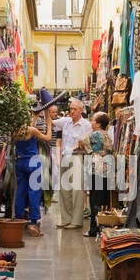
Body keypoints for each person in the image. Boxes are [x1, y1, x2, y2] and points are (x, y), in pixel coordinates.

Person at [52, 97, 92, 229]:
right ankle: (65, 219)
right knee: (64, 189)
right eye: (71, 109)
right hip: (65, 156)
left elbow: (88, 143)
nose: (72, 111)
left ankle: (76, 221)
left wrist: (81, 144)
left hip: (77, 157)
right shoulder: (66, 122)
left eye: (75, 109)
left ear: (81, 110)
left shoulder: (86, 124)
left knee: (77, 190)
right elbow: (51, 122)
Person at [13, 104, 52, 237]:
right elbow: (47, 138)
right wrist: (49, 124)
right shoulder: (31, 130)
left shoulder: (14, 130)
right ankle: (33, 223)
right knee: (34, 192)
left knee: (20, 191)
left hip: (20, 162)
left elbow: (27, 130)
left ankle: (19, 219)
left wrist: (34, 118)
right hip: (33, 162)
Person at [75, 111, 114, 237]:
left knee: (94, 199)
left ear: (98, 124)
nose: (91, 122)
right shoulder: (106, 134)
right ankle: (102, 226)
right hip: (105, 168)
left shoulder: (96, 134)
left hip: (96, 168)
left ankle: (94, 229)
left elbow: (82, 141)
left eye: (93, 120)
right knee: (103, 198)